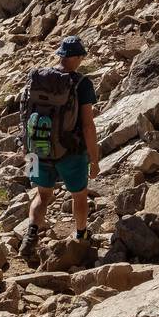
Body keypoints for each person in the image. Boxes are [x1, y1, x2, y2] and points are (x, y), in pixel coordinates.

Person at [19, 36, 100, 259]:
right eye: (81, 56)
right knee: (79, 195)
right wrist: (94, 159)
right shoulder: (81, 83)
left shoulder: (37, 77)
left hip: (36, 148)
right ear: (73, 57)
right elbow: (88, 125)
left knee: (42, 194)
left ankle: (31, 234)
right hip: (70, 150)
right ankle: (82, 235)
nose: (83, 59)